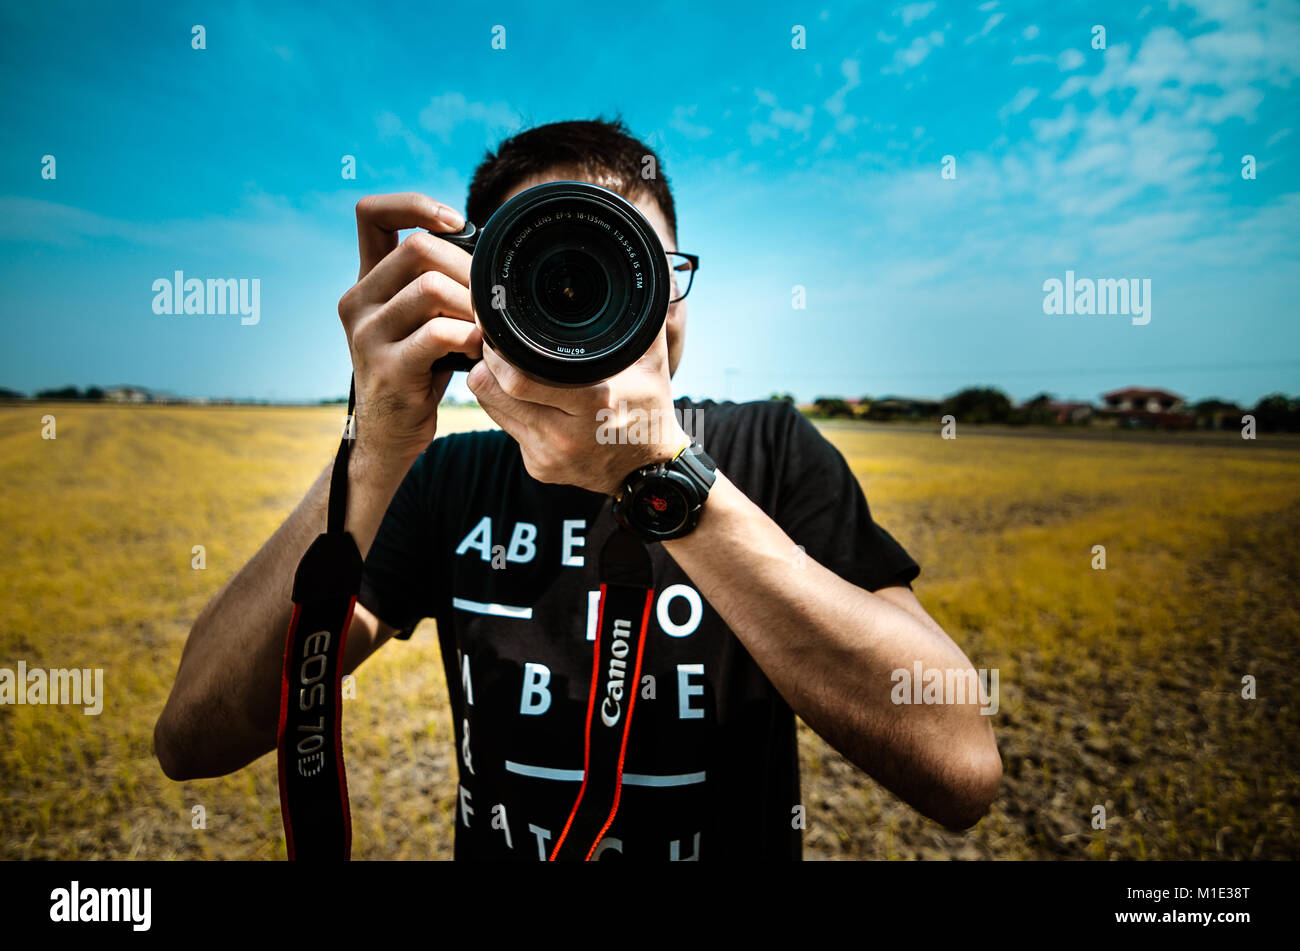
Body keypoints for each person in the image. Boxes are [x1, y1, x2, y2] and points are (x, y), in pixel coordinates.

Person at [155, 118, 1002, 860]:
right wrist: (373, 447)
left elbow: (960, 766)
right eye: (560, 271)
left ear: (679, 289)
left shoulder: (767, 449)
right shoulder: (451, 477)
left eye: (641, 265)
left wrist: (661, 475)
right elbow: (196, 733)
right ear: (480, 294)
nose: (599, 302)